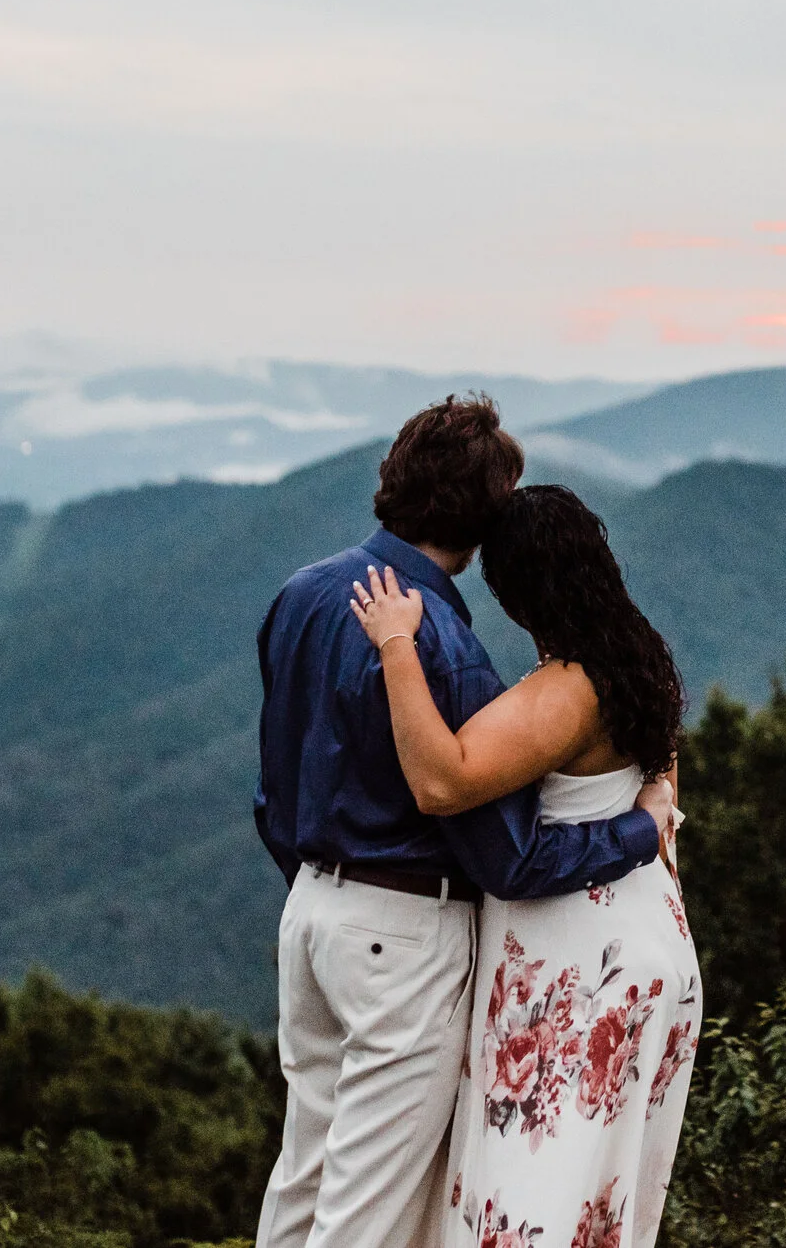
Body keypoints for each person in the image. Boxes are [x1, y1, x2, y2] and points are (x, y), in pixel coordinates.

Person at [253, 397, 676, 1248]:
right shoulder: (444, 644)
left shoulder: (301, 594)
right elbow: (508, 860)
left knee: (304, 1172)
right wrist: (640, 831)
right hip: (401, 932)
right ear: (488, 516)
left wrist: (321, 884)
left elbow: (276, 781)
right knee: (366, 1207)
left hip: (309, 914)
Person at [349, 482, 699, 1248]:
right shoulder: (642, 656)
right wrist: (651, 822)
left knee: (536, 1189)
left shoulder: (565, 692)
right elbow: (663, 784)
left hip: (579, 962)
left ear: (516, 589)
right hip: (652, 941)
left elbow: (442, 780)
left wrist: (397, 644)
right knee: (597, 1193)